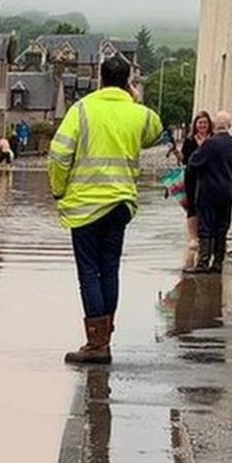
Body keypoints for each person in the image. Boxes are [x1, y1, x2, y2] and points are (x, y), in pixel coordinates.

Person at [48, 56, 163, 364]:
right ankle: (105, 338)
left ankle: (96, 344)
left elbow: (58, 155)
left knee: (89, 271)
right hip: (121, 204)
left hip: (85, 205)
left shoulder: (82, 109)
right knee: (110, 267)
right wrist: (134, 99)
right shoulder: (138, 113)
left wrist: (59, 190)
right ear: (128, 81)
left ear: (99, 78)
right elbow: (155, 131)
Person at [185, 111, 232, 274]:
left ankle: (202, 263)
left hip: (209, 190)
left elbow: (193, 163)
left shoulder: (210, 143)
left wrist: (200, 148)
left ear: (215, 125)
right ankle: (218, 263)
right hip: (228, 189)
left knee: (206, 226)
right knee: (222, 226)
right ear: (229, 125)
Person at [178, 111, 213, 270]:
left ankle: (204, 236)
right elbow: (185, 159)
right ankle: (193, 238)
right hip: (192, 177)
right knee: (192, 206)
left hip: (208, 178)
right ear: (195, 125)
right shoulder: (190, 140)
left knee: (205, 206)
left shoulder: (212, 140)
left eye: (205, 123)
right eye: (200, 123)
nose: (202, 126)